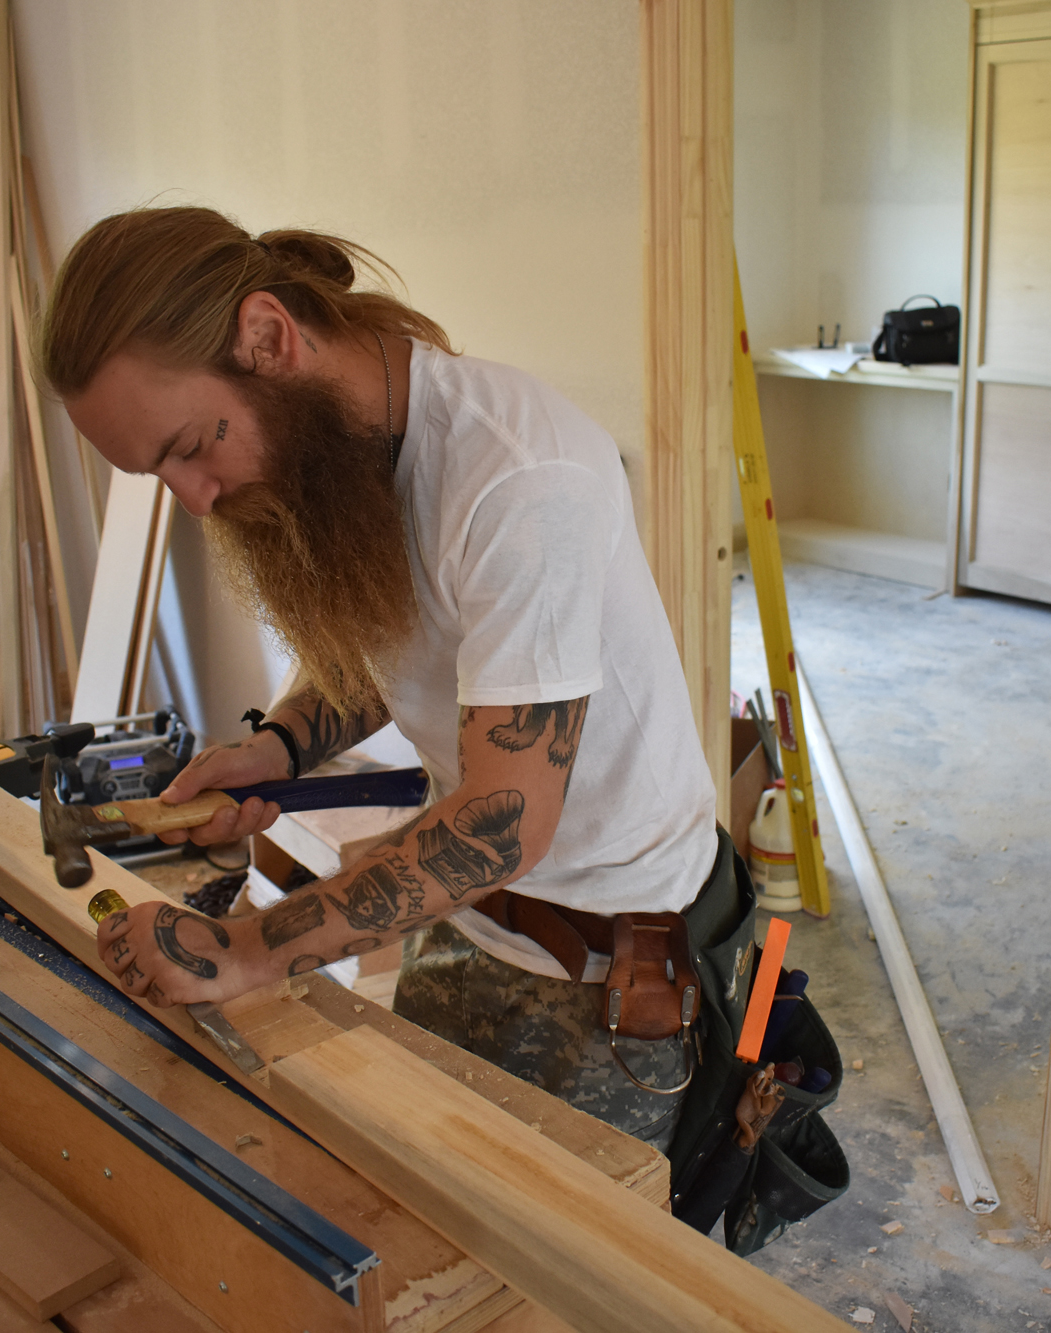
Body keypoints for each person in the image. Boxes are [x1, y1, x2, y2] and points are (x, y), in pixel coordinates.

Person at [39, 206, 737, 1145]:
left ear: (267, 339)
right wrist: (274, 747)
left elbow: (502, 825)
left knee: (555, 1276)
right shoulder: (360, 458)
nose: (196, 501)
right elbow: (393, 645)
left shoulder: (519, 477)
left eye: (191, 448)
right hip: (475, 918)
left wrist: (248, 951)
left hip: (614, 959)